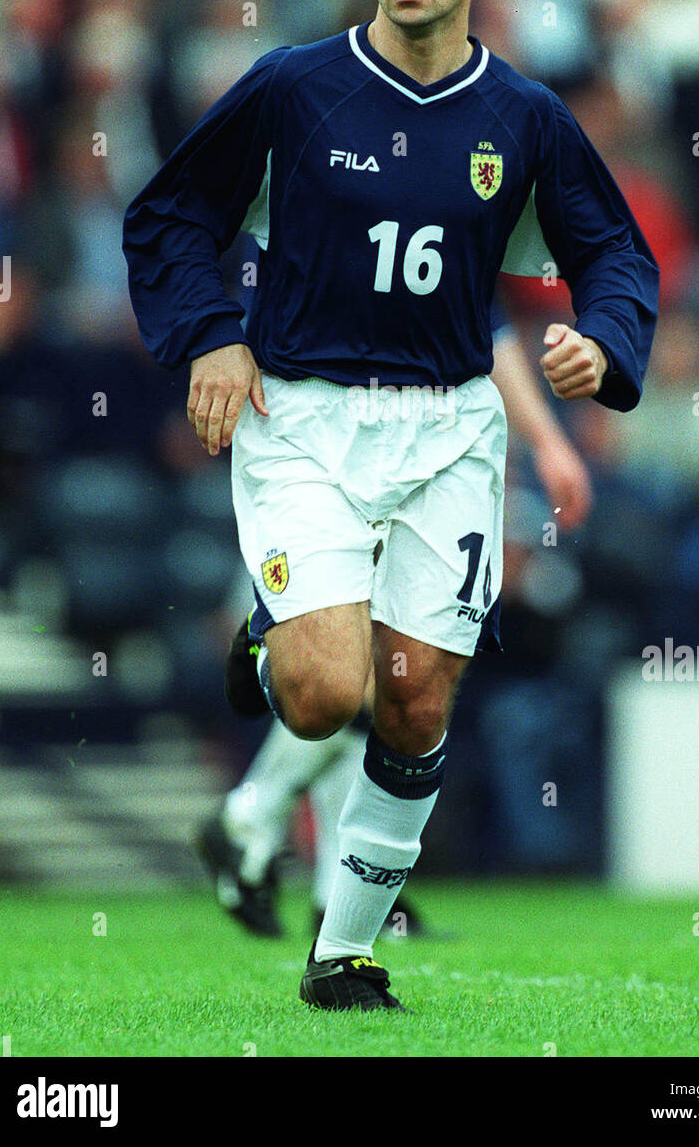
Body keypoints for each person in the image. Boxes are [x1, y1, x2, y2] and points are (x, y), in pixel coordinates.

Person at [124, 0, 658, 1012]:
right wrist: (211, 336)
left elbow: (612, 251)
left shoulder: (522, 117)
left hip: (453, 427)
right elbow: (171, 213)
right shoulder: (291, 89)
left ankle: (344, 954)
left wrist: (604, 342)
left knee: (413, 697)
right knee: (325, 694)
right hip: (304, 413)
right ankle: (271, 645)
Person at [196, 301, 594, 939]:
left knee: (380, 679)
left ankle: (315, 870)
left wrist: (545, 442)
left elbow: (481, 323)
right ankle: (266, 823)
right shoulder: (324, 220)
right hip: (328, 445)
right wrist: (547, 441)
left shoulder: (441, 220)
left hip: (410, 453)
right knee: (358, 673)